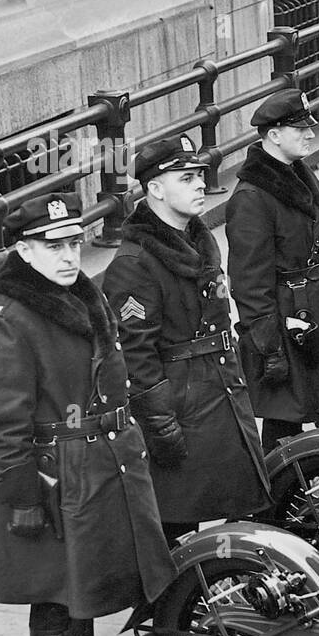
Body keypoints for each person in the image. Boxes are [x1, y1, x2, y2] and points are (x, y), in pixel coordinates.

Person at [0, 192, 176, 636]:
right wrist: (22, 499)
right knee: (55, 595)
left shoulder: (81, 298)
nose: (67, 257)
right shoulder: (6, 324)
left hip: (98, 463)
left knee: (79, 586)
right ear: (23, 251)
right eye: (51, 246)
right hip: (50, 475)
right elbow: (0, 427)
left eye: (72, 244)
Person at [103, 136, 270, 534]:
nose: (199, 184)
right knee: (177, 521)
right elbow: (135, 354)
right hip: (181, 405)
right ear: (156, 189)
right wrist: (160, 425)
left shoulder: (198, 240)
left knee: (245, 502)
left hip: (221, 390)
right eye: (186, 178)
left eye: (199, 175)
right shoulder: (134, 264)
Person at [226, 89, 319, 450]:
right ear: (273, 135)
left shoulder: (297, 175)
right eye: (299, 129)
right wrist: (269, 349)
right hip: (290, 318)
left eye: (309, 127)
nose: (309, 134)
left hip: (318, 303)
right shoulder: (252, 198)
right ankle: (283, 491)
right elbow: (248, 283)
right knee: (286, 417)